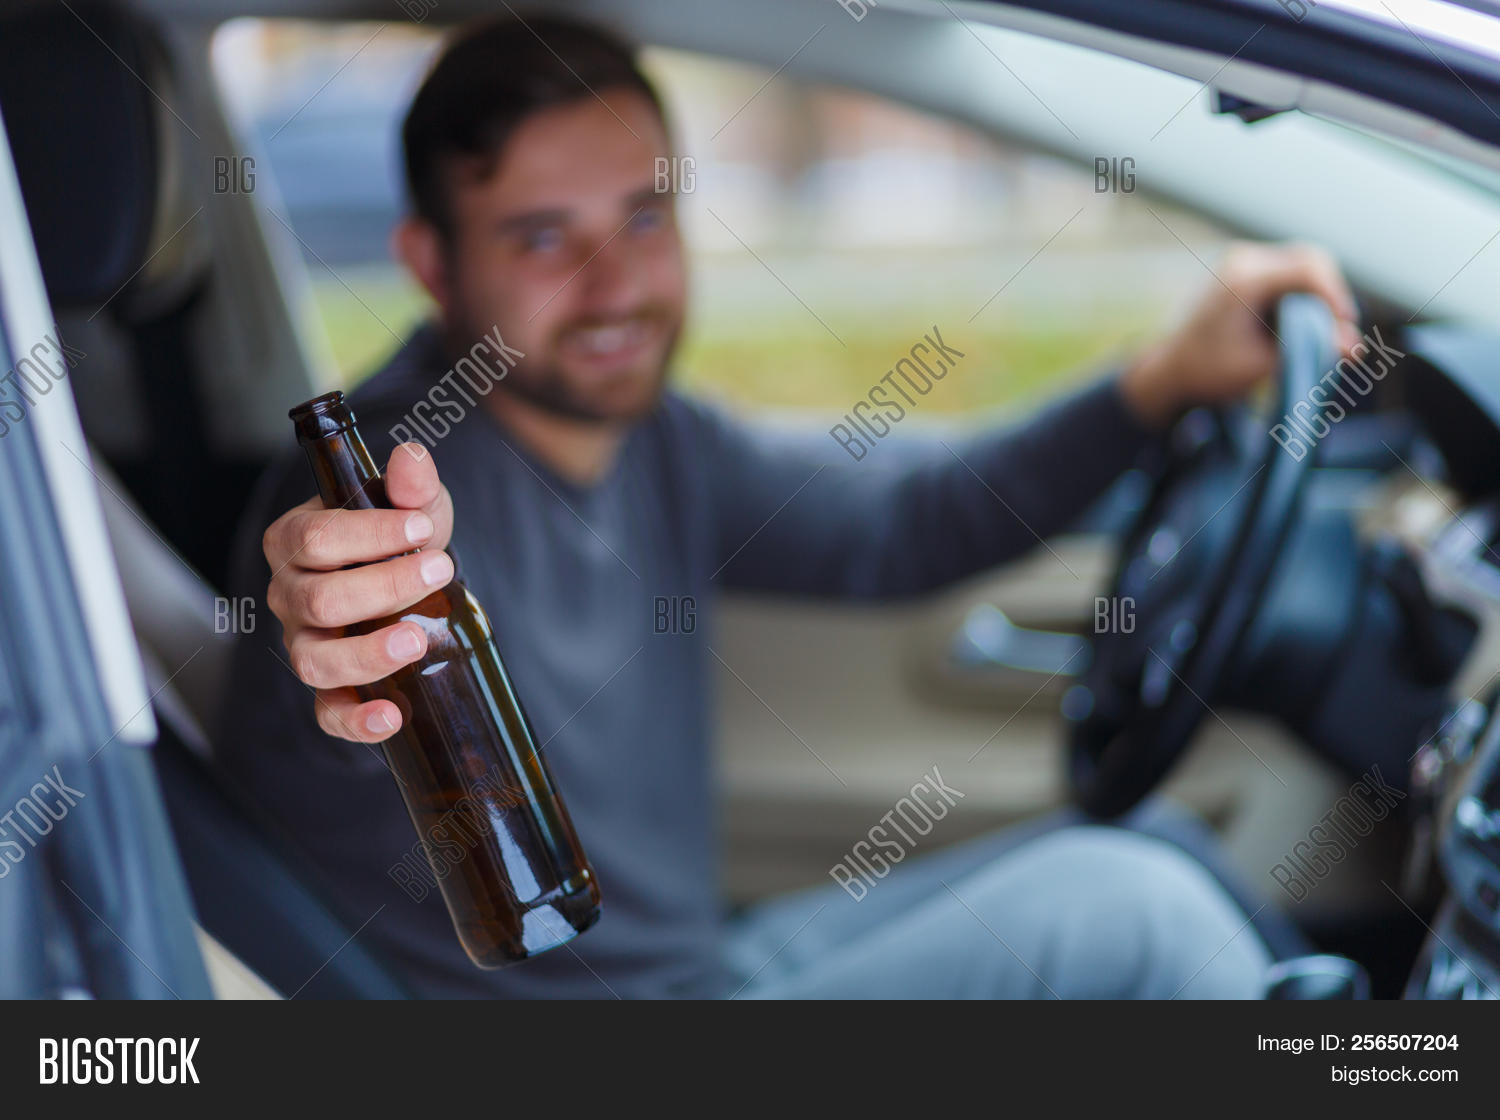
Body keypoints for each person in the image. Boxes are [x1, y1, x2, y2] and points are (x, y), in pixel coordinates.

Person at [216, 15, 1360, 999]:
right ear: (430, 262)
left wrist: (1156, 382)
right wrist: (321, 626)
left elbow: (908, 523)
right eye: (545, 239)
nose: (617, 286)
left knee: (1148, 841)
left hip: (703, 971)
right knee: (1137, 912)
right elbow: (332, 638)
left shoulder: (656, 438)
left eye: (643, 219)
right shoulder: (399, 483)